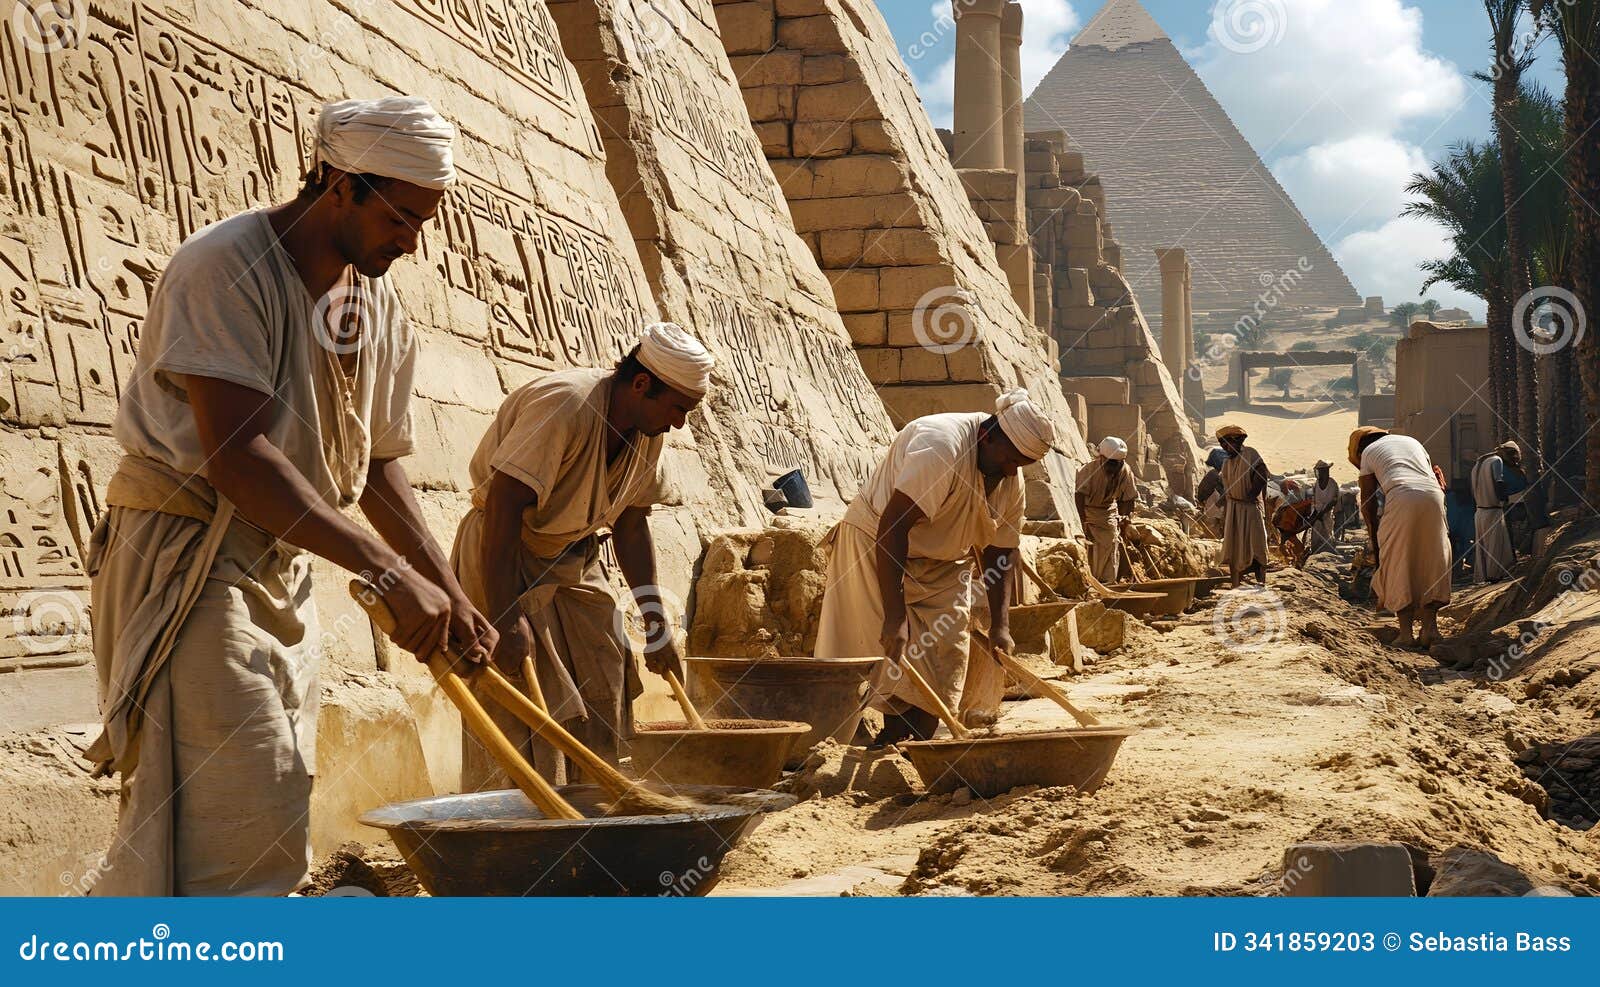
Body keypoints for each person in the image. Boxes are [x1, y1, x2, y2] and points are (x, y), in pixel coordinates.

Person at [86, 97, 496, 895]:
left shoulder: (375, 304)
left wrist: (448, 590)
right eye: (399, 218)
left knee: (267, 812)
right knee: (243, 812)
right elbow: (240, 459)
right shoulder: (225, 266)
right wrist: (385, 571)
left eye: (423, 224)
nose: (409, 240)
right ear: (340, 183)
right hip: (189, 560)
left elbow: (375, 468)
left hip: (281, 569)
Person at [451, 323, 713, 788]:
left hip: (574, 560)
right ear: (641, 384)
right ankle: (511, 827)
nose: (679, 423)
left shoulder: (647, 430)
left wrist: (656, 624)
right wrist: (506, 615)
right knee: (518, 700)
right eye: (678, 408)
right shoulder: (566, 405)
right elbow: (504, 504)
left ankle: (590, 803)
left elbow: (631, 526)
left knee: (605, 670)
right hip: (503, 552)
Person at [815, 389, 1053, 746]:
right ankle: (853, 741)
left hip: (942, 565)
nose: (1010, 471)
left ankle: (903, 745)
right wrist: (894, 617)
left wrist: (1001, 627)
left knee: (945, 659)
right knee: (874, 655)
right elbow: (893, 529)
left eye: (1019, 465)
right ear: (988, 436)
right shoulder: (941, 446)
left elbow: (1001, 553)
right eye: (1008, 460)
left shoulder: (1008, 477)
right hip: (875, 545)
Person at [1350, 427, 1452, 647]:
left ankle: (1406, 634)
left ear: (1359, 447)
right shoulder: (1413, 441)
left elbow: (1367, 501)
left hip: (1402, 496)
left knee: (1398, 560)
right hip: (1434, 498)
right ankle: (1430, 630)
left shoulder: (1369, 452)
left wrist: (1375, 537)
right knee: (1433, 559)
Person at [1074, 436, 1137, 582]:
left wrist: (1126, 520)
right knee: (1091, 549)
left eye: (1117, 464)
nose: (1113, 468)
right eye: (1110, 463)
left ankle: (1108, 582)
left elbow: (1128, 498)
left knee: (1111, 545)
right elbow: (1079, 496)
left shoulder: (1125, 472)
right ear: (1101, 457)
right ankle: (1091, 582)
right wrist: (1082, 521)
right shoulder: (1088, 470)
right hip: (1088, 513)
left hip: (1108, 513)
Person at [1216, 424, 1271, 586]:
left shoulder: (1250, 454)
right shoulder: (1227, 463)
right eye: (1222, 445)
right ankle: (1236, 584)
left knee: (1256, 544)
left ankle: (1261, 581)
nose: (1225, 448)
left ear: (1236, 440)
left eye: (1226, 443)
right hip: (1234, 510)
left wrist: (1250, 495)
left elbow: (1262, 474)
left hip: (1250, 508)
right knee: (1234, 547)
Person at [1470, 441, 1517, 584]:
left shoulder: (1479, 463)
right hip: (1492, 511)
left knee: (1484, 546)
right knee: (1495, 545)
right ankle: (1495, 575)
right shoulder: (1496, 461)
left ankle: (1485, 575)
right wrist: (1504, 500)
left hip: (1479, 512)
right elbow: (1499, 482)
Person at [1195, 446, 1227, 538]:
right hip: (1214, 505)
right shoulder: (1217, 475)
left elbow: (1201, 491)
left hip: (1212, 505)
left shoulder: (1214, 473)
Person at [1310, 460, 1340, 552]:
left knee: (1327, 536)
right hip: (1318, 515)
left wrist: (1323, 513)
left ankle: (1328, 554)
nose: (1319, 473)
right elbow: (1315, 501)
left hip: (1327, 516)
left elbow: (1333, 502)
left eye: (1321, 471)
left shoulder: (1332, 484)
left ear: (1326, 471)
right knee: (1315, 537)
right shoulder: (1316, 484)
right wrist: (1314, 515)